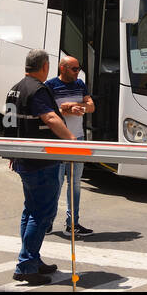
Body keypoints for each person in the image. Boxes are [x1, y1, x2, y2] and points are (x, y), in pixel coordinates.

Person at [6, 48, 75, 284]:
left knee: (30, 210)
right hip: (42, 161)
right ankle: (26, 265)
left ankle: (30, 259)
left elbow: (9, 124)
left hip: (24, 160)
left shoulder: (14, 89)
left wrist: (11, 154)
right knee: (41, 214)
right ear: (44, 66)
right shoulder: (38, 90)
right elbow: (51, 118)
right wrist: (72, 142)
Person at [46, 54, 95, 237]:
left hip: (78, 139)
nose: (77, 72)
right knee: (56, 183)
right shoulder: (50, 86)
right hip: (58, 140)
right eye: (74, 69)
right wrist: (65, 109)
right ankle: (48, 222)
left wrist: (75, 104)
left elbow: (91, 106)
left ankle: (72, 223)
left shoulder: (80, 84)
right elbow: (47, 112)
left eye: (78, 68)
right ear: (62, 69)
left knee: (74, 184)